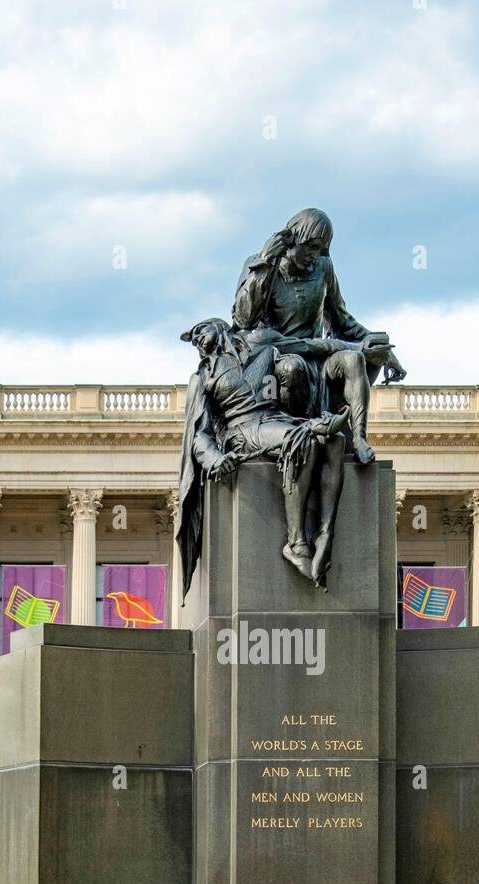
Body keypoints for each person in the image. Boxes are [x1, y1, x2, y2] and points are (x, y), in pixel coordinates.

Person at [176, 318, 349, 597]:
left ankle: (325, 533)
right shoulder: (203, 376)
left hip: (277, 419)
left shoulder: (263, 346)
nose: (196, 339)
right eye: (193, 338)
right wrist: (215, 459)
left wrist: (356, 347)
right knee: (303, 440)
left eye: (199, 331)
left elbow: (312, 345)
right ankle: (296, 543)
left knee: (334, 440)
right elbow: (199, 433)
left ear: (220, 328)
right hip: (243, 430)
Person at [232, 208, 406, 464]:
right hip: (278, 362)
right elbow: (244, 320)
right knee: (293, 368)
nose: (315, 256)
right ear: (293, 239)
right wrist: (265, 262)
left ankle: (358, 438)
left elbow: (341, 320)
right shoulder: (258, 264)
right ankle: (300, 434)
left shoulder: (323, 268)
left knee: (352, 360)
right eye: (311, 247)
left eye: (321, 250)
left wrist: (381, 347)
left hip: (318, 357)